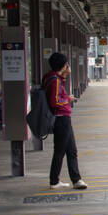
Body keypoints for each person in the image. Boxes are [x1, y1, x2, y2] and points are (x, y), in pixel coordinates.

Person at [43, 53, 88, 189]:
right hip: (61, 119)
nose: (68, 66)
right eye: (67, 64)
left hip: (62, 119)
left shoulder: (51, 77)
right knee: (60, 151)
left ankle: (76, 180)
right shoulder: (55, 81)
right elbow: (55, 101)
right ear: (63, 66)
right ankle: (55, 181)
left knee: (71, 150)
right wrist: (68, 99)